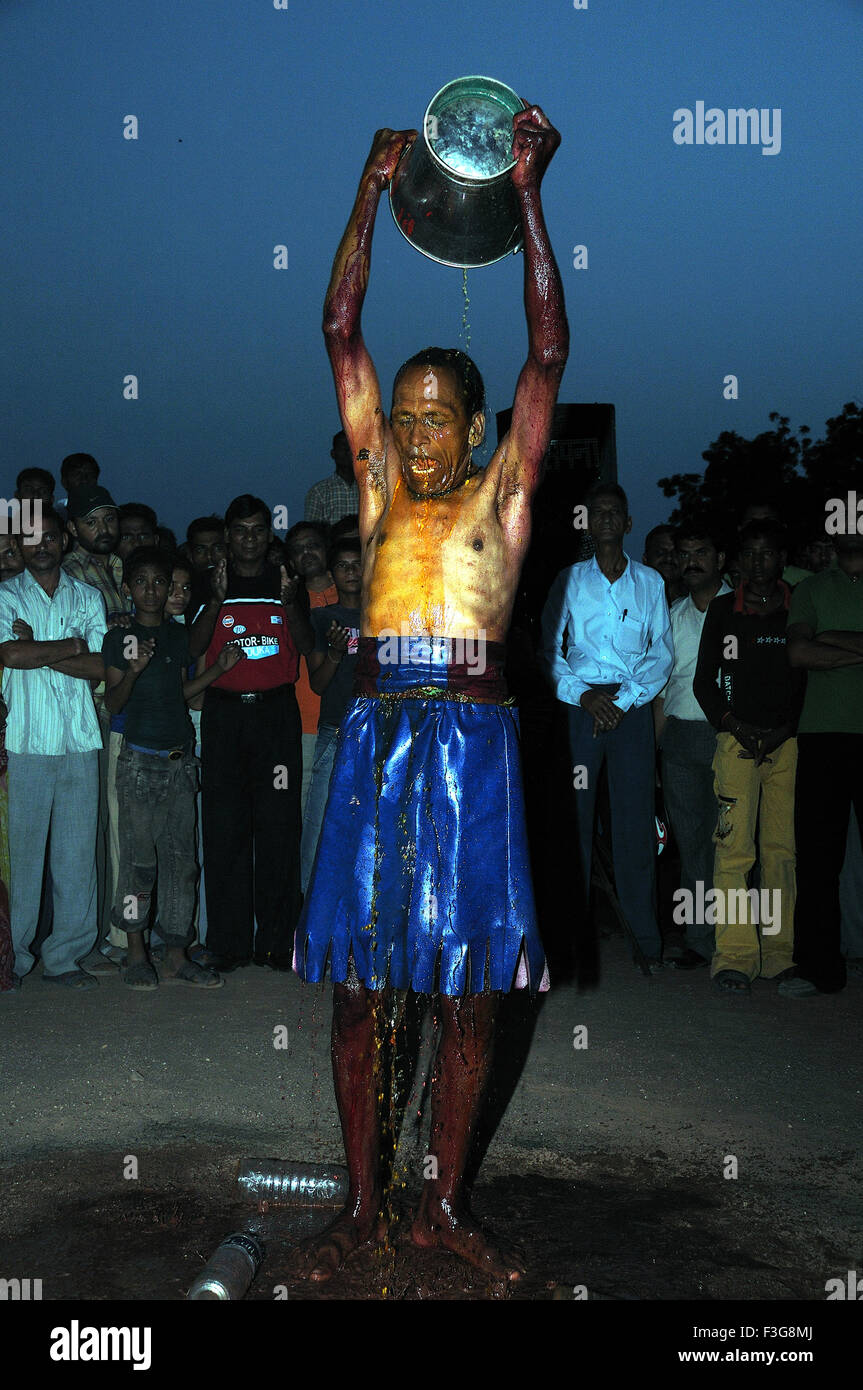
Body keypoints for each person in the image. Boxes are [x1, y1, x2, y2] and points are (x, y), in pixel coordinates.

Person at [294, 106, 568, 1284]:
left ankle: (442, 1203)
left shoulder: (499, 496)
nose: (409, 432)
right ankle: (363, 1200)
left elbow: (546, 355)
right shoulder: (373, 496)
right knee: (359, 983)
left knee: (468, 992)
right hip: (373, 734)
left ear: (471, 430)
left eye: (429, 416)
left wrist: (528, 194)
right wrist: (367, 188)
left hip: (472, 739)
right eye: (397, 416)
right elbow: (339, 325)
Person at [541, 483, 673, 969]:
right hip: (581, 708)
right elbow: (548, 652)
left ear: (628, 522)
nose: (607, 520)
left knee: (635, 824)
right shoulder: (569, 581)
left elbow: (661, 653)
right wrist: (587, 696)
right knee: (571, 823)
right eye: (597, 513)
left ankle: (645, 942)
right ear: (587, 523)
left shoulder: (650, 584)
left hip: (631, 710)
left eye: (615, 512)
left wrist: (625, 700)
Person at [103, 549, 237, 990]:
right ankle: (135, 952)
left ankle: (177, 955)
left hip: (180, 760)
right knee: (138, 865)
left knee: (182, 865)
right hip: (140, 761)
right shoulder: (119, 638)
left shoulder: (177, 636)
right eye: (140, 582)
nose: (151, 590)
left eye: (159, 582)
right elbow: (114, 703)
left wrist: (217, 669)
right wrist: (134, 670)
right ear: (127, 588)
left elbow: (181, 693)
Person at [189, 494, 313, 971]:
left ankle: (277, 942)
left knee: (279, 827)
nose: (249, 539)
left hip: (275, 716)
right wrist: (217, 600)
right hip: (224, 715)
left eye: (258, 529)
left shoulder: (284, 581)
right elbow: (196, 647)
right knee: (224, 827)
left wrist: (288, 603)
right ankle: (229, 943)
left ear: (269, 533)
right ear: (227, 536)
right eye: (240, 531)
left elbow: (303, 645)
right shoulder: (210, 581)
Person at [693, 519, 804, 994]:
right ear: (739, 561)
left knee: (781, 852)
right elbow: (704, 682)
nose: (759, 563)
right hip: (736, 743)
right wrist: (734, 725)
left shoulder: (799, 605)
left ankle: (780, 955)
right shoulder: (723, 610)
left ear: (782, 559)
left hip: (787, 743)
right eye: (750, 554)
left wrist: (784, 730)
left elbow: (807, 679)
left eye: (768, 554)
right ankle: (735, 956)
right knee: (734, 851)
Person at [0, 508, 106, 989]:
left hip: (80, 742)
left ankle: (64, 956)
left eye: (48, 536)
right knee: (22, 859)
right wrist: (70, 646)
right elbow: (10, 654)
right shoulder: (5, 595)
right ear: (17, 546)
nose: (40, 545)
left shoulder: (87, 595)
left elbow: (103, 665)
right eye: (29, 538)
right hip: (24, 744)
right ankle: (15, 958)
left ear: (64, 540)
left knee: (76, 856)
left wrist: (40, 648)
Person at [782, 532, 863, 997]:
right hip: (821, 736)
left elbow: (816, 648)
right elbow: (797, 652)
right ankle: (819, 968)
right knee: (817, 858)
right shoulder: (812, 589)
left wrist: (830, 641)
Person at [654, 523, 729, 967]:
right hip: (681, 738)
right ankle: (700, 941)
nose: (692, 561)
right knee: (692, 844)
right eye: (685, 554)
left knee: (735, 842)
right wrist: (654, 755)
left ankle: (742, 938)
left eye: (702, 550)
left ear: (720, 557)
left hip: (731, 737)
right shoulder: (671, 616)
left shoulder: (745, 609)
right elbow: (661, 693)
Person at [63, 484, 131, 968]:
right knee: (93, 830)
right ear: (73, 529)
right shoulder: (70, 577)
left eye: (109, 519)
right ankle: (92, 937)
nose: (103, 529)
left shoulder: (122, 569)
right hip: (91, 712)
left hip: (124, 711)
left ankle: (112, 931)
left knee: (118, 826)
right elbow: (76, 654)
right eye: (92, 522)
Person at [299, 536, 361, 893]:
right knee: (320, 825)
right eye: (343, 565)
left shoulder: (386, 615)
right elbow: (319, 684)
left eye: (358, 564)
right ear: (331, 575)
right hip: (336, 730)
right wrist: (337, 654)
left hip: (380, 731)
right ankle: (311, 919)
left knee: (369, 826)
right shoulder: (322, 618)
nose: (352, 571)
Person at [284, 521, 338, 811]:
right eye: (297, 550)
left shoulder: (351, 590)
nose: (306, 554)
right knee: (303, 807)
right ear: (290, 560)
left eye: (313, 546)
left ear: (326, 550)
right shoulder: (287, 601)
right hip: (303, 720)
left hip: (345, 718)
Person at [304, 430, 360, 525]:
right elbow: (312, 531)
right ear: (333, 454)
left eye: (351, 447)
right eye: (342, 447)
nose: (347, 451)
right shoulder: (319, 492)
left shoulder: (369, 489)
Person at [644, 524, 685, 606]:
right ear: (645, 559)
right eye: (660, 553)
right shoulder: (632, 598)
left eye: (676, 553)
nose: (669, 558)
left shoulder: (698, 601)